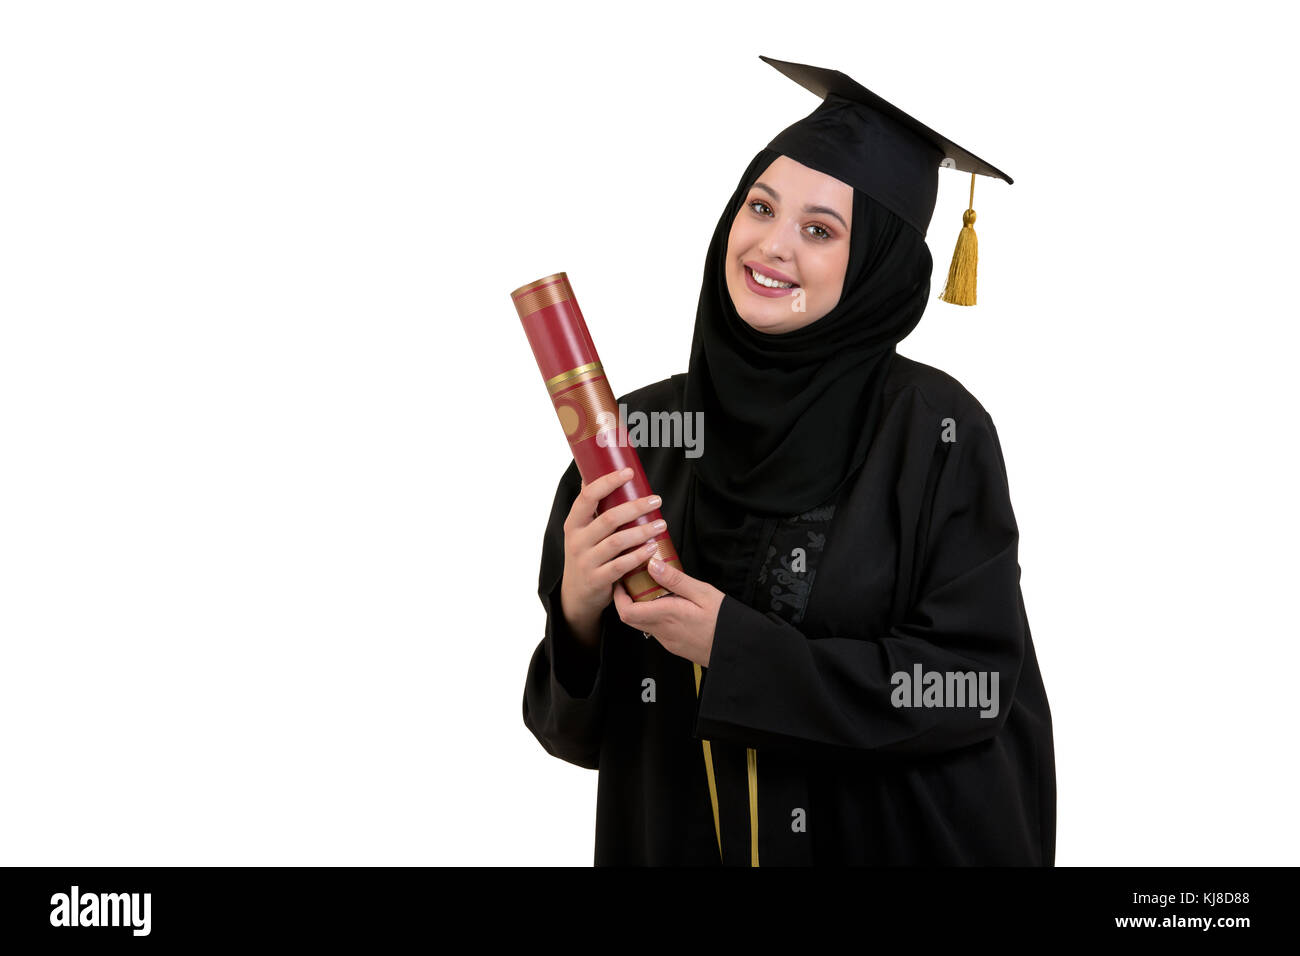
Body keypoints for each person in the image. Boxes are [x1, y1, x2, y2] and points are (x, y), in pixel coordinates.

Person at [522, 56, 1056, 866]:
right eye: (760, 206)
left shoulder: (936, 434)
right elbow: (573, 736)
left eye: (819, 229)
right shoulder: (641, 436)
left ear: (875, 267)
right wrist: (580, 609)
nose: (770, 246)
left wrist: (737, 653)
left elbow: (972, 690)